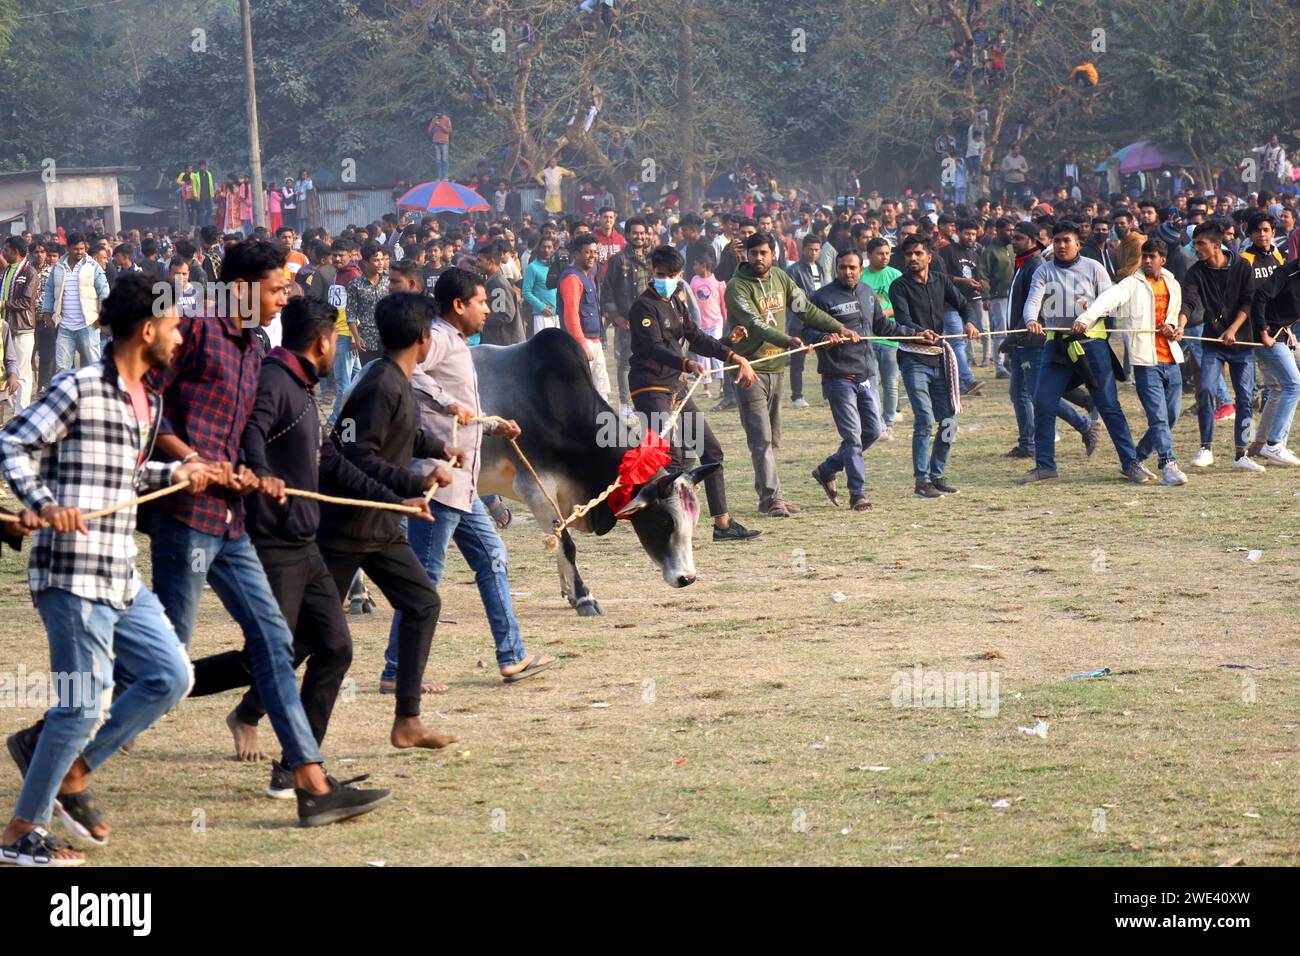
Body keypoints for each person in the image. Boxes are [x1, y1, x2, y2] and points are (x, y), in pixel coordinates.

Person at [0, 276, 219, 866]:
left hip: (121, 572)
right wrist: (44, 502)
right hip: (70, 572)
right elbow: (13, 443)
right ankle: (23, 831)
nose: (180, 336)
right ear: (147, 330)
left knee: (171, 677)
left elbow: (123, 479)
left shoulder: (148, 400)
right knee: (80, 704)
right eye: (174, 325)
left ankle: (75, 766)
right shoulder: (78, 387)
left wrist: (176, 474)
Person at [185, 296, 434, 793]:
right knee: (270, 654)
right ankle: (151, 682)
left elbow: (334, 463)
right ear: (323, 341)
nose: (337, 345)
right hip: (276, 541)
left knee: (332, 648)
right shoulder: (277, 382)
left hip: (307, 538)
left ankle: (296, 772)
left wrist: (397, 497)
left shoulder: (302, 387)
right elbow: (249, 433)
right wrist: (260, 474)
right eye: (335, 338)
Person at [378, 268, 558, 692]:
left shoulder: (458, 342)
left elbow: (464, 410)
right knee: (423, 578)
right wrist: (447, 402)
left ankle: (512, 656)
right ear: (458, 305)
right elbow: (405, 372)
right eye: (481, 302)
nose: (487, 309)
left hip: (464, 484)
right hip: (436, 482)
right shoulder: (437, 337)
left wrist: (491, 426)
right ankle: (395, 670)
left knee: (492, 558)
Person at [320, 292, 462, 748]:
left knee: (423, 603)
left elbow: (399, 433)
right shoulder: (379, 384)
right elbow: (355, 455)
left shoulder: (395, 378)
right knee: (311, 640)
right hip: (347, 529)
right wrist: (414, 484)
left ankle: (407, 720)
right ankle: (251, 714)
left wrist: (436, 449)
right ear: (423, 337)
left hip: (380, 529)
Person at [628, 245, 761, 541]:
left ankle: (723, 525)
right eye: (660, 274)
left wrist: (732, 354)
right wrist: (686, 363)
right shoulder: (643, 307)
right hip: (650, 387)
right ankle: (667, 527)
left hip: (676, 386)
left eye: (671, 275)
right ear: (652, 270)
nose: (664, 279)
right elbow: (653, 348)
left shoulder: (677, 300)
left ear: (680, 275)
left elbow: (696, 337)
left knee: (711, 451)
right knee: (669, 458)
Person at [724, 232, 848, 516]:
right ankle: (771, 498)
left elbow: (805, 309)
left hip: (778, 368)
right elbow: (754, 324)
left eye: (764, 253)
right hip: (750, 371)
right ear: (747, 255)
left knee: (774, 439)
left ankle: (769, 496)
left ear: (774, 254)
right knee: (761, 439)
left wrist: (837, 328)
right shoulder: (736, 286)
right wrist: (786, 340)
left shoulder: (781, 278)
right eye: (753, 253)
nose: (758, 258)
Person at [808, 249, 935, 511]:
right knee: (853, 437)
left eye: (852, 267)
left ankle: (828, 468)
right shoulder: (822, 297)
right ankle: (858, 494)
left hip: (865, 374)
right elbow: (808, 331)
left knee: (874, 431)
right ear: (837, 269)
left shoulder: (867, 292)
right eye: (843, 267)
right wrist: (823, 339)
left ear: (860, 268)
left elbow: (884, 327)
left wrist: (916, 335)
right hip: (838, 376)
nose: (848, 272)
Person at [1020, 223, 1146, 484]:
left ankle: (1130, 463)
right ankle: (1045, 467)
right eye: (1057, 241)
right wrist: (1031, 319)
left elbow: (1111, 302)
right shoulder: (1043, 270)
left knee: (1109, 405)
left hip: (1092, 345)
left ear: (1078, 244)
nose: (1062, 246)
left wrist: (1094, 310)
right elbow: (1033, 300)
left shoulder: (1094, 268)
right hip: (1057, 345)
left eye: (1067, 240)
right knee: (1043, 402)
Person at [1076, 238, 1189, 485]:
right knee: (1158, 417)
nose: (1147, 261)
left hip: (1170, 357)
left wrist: (1173, 326)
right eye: (1144, 256)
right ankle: (1168, 465)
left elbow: (1174, 312)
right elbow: (1108, 300)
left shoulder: (1172, 282)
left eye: (1152, 257)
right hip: (1145, 360)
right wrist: (1086, 318)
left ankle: (1136, 458)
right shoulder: (1131, 284)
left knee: (1170, 416)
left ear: (1163, 259)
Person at [888, 235, 981, 498]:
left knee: (950, 420)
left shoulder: (942, 280)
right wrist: (920, 332)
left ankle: (937, 474)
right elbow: (903, 320)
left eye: (918, 253)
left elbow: (965, 304)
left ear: (929, 256)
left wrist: (970, 323)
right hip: (913, 358)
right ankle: (921, 481)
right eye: (909, 254)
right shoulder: (899, 286)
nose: (913, 258)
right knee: (924, 421)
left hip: (940, 358)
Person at [1178, 221, 1261, 472]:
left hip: (1242, 341)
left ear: (1216, 244)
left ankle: (1241, 454)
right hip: (1213, 342)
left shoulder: (1242, 265)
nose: (1196, 248)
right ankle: (1206, 448)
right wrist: (1181, 325)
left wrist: (1233, 329)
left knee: (1245, 398)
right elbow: (1189, 303)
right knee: (1205, 390)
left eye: (1200, 244)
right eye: (1195, 244)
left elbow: (1248, 303)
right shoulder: (1196, 272)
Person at [1238, 214, 1300, 465]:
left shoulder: (1277, 258)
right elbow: (1254, 298)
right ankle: (1275, 443)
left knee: (1277, 388)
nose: (1262, 234)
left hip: (1278, 332)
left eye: (1266, 230)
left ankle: (1261, 443)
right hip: (1257, 333)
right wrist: (1261, 330)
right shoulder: (1245, 260)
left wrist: (1287, 328)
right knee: (1292, 385)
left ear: (1273, 232)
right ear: (1251, 234)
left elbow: (1281, 301)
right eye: (1257, 230)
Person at [600, 216, 651, 416]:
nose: (639, 237)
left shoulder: (650, 258)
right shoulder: (619, 259)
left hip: (648, 320)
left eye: (642, 233)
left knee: (648, 361)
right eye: (635, 233)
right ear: (628, 235)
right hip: (627, 321)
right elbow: (608, 290)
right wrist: (617, 318)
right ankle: (624, 404)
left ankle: (644, 401)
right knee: (626, 363)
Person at [42, 232, 109, 375]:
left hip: (89, 324)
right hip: (64, 326)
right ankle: (66, 396)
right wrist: (47, 313)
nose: (79, 252)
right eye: (75, 249)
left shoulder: (93, 266)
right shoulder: (58, 267)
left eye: (82, 249)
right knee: (62, 368)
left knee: (95, 366)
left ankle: (99, 395)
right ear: (67, 248)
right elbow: (49, 290)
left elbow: (104, 291)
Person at [558, 233, 610, 401]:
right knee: (581, 393)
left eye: (595, 252)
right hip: (581, 344)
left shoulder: (587, 276)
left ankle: (601, 425)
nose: (592, 256)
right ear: (576, 254)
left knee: (601, 391)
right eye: (587, 252)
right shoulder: (572, 277)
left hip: (593, 341)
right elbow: (571, 314)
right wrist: (581, 344)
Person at [784, 234, 828, 409]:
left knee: (825, 360)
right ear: (803, 249)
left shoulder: (822, 269)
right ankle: (797, 397)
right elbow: (793, 297)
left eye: (817, 250)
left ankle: (827, 396)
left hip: (820, 321)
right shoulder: (794, 270)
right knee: (797, 361)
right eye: (810, 249)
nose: (813, 253)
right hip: (799, 322)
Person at [1, 236, 39, 410]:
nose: (3, 252)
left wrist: (2, 304)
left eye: (6, 249)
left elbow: (25, 302)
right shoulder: (8, 270)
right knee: (11, 370)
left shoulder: (30, 272)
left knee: (23, 372)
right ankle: (15, 408)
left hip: (23, 328)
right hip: (6, 327)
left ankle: (21, 413)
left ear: (15, 251)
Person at [981, 218, 1015, 379]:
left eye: (1012, 229)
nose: (1011, 233)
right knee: (1000, 332)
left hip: (1014, 296)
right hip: (998, 296)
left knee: (1014, 331)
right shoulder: (990, 251)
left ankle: (1010, 362)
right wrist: (986, 297)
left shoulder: (1012, 248)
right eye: (1008, 230)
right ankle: (999, 367)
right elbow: (983, 275)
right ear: (998, 230)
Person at [346, 239, 390, 365]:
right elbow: (351, 315)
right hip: (366, 341)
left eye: (382, 259)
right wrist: (356, 337)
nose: (380, 263)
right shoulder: (355, 285)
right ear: (365, 262)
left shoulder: (389, 282)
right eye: (376, 260)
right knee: (369, 377)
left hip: (388, 338)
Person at [476, 240, 524, 345]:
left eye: (480, 260)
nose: (477, 264)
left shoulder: (498, 284)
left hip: (504, 345)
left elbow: (505, 315)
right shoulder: (492, 282)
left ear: (491, 262)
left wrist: (478, 318)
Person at [522, 235, 558, 334]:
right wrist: (541, 307)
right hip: (542, 315)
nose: (546, 250)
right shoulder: (532, 267)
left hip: (558, 314)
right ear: (539, 248)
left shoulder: (556, 267)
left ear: (553, 249)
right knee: (545, 347)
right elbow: (526, 292)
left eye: (549, 247)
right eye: (544, 247)